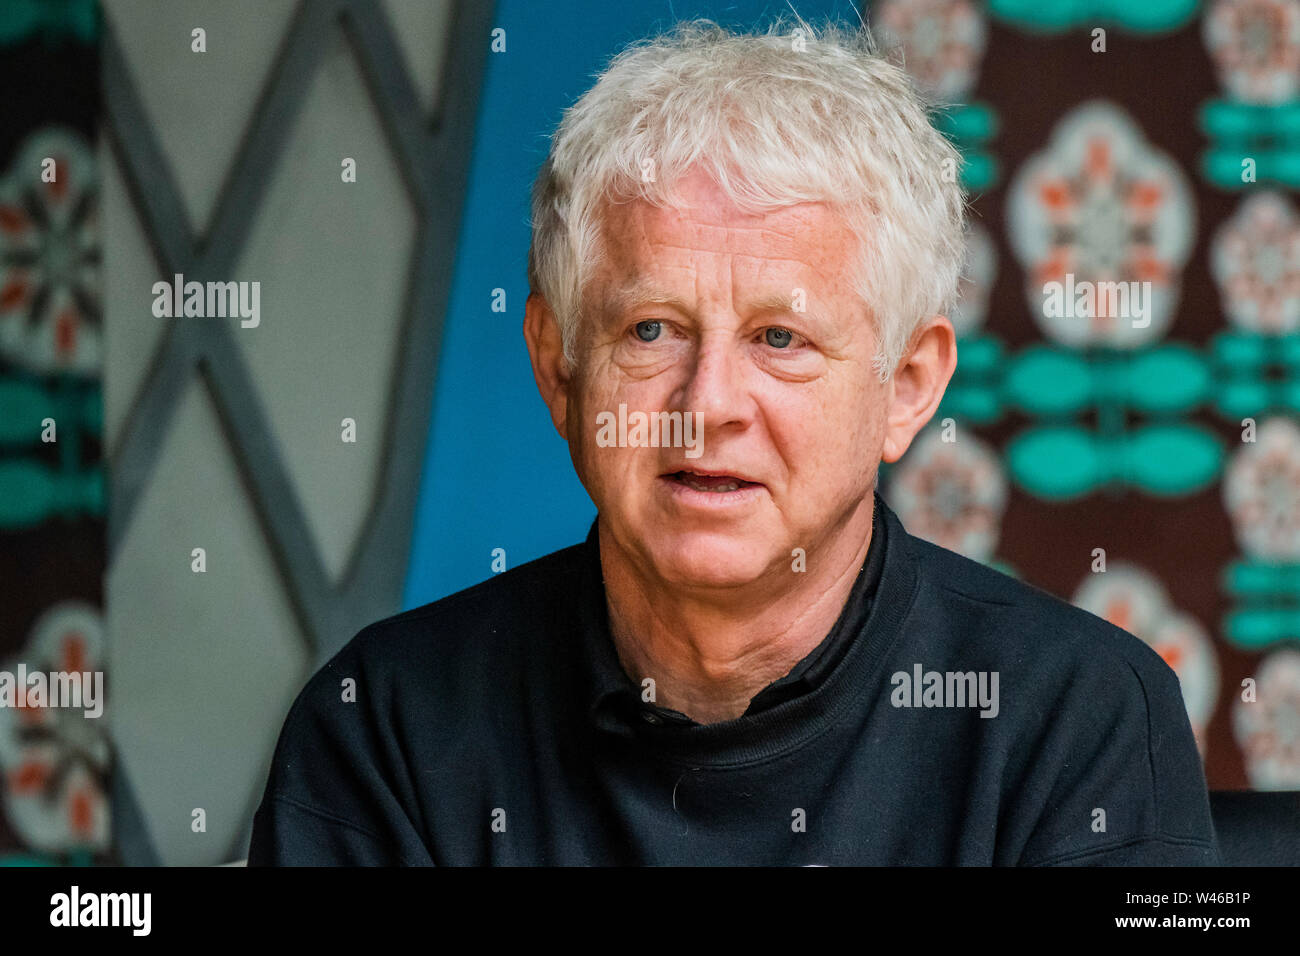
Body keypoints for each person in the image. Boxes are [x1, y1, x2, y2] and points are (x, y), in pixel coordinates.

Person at [248, 19, 1219, 866]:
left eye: (780, 337)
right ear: (556, 366)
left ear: (907, 387)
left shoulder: (1077, 720)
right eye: (651, 330)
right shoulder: (386, 724)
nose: (707, 402)